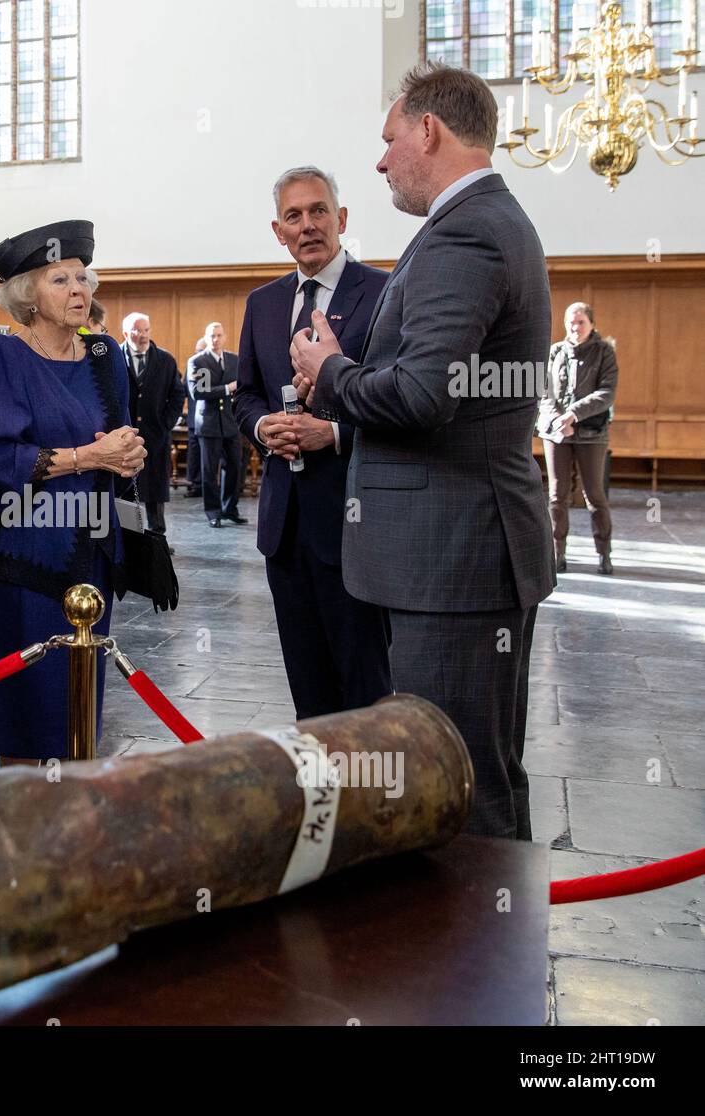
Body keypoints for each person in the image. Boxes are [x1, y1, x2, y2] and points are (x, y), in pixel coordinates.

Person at [291, 62, 554, 840]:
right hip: (467, 547)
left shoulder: (464, 231)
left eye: (389, 139)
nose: (380, 161)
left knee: (459, 776)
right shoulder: (487, 221)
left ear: (429, 130)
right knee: (482, 765)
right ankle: (490, 945)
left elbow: (423, 397)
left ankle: (477, 953)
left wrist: (328, 372)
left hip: (453, 556)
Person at [0, 220, 144, 765]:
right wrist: (89, 457)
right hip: (28, 550)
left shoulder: (104, 355)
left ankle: (72, 810)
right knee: (30, 698)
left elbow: (122, 434)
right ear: (27, 296)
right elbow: (2, 457)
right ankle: (23, 812)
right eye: (60, 280)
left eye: (83, 279)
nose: (78, 290)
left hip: (93, 543)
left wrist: (131, 454)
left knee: (80, 696)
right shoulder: (4, 356)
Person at [233, 166, 392, 718]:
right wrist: (262, 428)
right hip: (285, 528)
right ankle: (324, 795)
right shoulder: (264, 303)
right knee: (308, 688)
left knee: (365, 688)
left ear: (341, 218)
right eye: (294, 216)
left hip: (358, 524)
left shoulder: (384, 292)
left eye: (319, 211)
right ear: (278, 231)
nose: (308, 225)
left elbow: (402, 399)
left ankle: (370, 801)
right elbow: (246, 395)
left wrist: (336, 432)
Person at [538, 302, 618, 575]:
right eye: (571, 322)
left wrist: (573, 414)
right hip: (556, 432)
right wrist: (559, 420)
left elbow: (607, 392)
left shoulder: (604, 351)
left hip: (591, 434)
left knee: (594, 495)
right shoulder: (554, 352)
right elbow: (543, 391)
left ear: (592, 324)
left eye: (581, 322)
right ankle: (557, 553)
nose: (575, 327)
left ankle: (604, 553)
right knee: (557, 495)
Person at [120, 313, 184, 535]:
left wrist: (165, 424)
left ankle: (157, 535)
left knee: (155, 487)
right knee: (125, 486)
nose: (144, 335)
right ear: (126, 334)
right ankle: (128, 534)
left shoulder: (165, 360)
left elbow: (177, 395)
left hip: (156, 436)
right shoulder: (113, 358)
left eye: (147, 330)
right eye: (139, 331)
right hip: (123, 437)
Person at [187, 322, 247, 527]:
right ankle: (213, 512)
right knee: (209, 471)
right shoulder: (198, 361)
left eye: (219, 335)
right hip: (209, 424)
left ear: (224, 337)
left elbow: (243, 387)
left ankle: (230, 508)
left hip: (230, 423)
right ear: (206, 337)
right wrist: (227, 389)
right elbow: (200, 392)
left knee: (234, 468)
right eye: (212, 336)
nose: (215, 339)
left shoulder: (233, 360)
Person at [184, 337, 206, 497]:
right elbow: (184, 389)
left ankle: (205, 486)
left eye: (202, 350)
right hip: (193, 417)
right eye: (197, 350)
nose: (199, 354)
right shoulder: (192, 366)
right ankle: (194, 483)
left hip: (209, 419)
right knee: (194, 452)